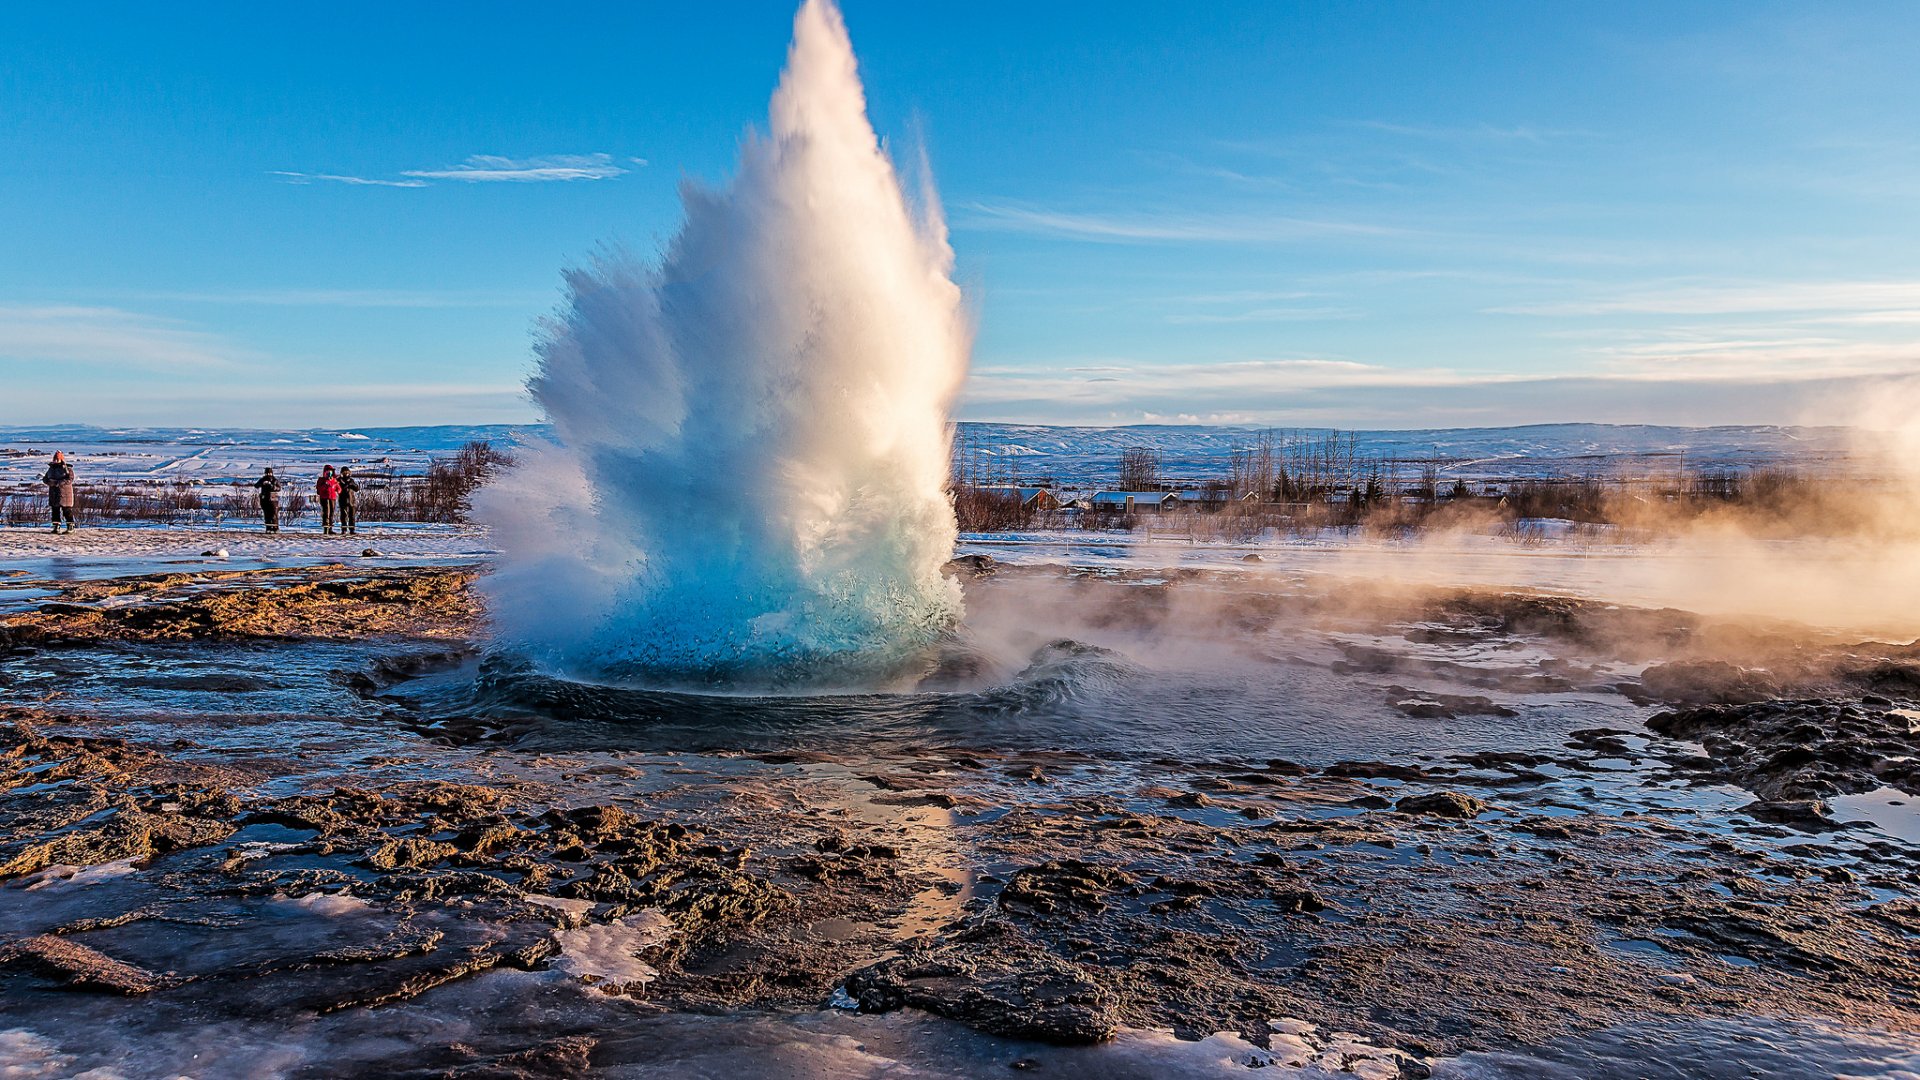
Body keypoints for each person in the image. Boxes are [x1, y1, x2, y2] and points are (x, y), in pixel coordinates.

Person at [42, 452, 75, 533]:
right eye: (55, 459)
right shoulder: (51, 468)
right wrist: (50, 482)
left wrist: (58, 483)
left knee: (67, 510)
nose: (56, 460)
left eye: (58, 459)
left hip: (65, 493)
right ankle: (56, 527)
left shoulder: (67, 468)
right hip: (54, 493)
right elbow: (45, 478)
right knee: (55, 510)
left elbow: (70, 479)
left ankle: (70, 527)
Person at [316, 465, 342, 535]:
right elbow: (318, 490)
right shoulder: (321, 480)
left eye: (331, 471)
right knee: (326, 512)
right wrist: (325, 485)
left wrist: (338, 489)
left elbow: (339, 489)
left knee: (331, 513)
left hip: (332, 498)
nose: (329, 473)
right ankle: (326, 529)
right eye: (328, 471)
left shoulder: (334, 480)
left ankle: (330, 528)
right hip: (324, 498)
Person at [256, 467, 281, 533]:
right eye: (267, 473)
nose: (268, 474)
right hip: (264, 499)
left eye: (269, 473)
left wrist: (272, 486)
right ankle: (268, 528)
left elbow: (279, 488)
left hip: (273, 499)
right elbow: (256, 485)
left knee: (274, 513)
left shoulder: (275, 480)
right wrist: (262, 483)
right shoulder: (263, 479)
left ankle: (275, 528)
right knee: (266, 514)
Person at [338, 467, 360, 535]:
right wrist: (345, 484)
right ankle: (344, 529)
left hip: (351, 500)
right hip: (343, 499)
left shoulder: (351, 480)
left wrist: (352, 484)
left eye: (347, 472)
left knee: (352, 516)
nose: (346, 474)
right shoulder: (339, 480)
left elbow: (356, 489)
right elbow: (338, 489)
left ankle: (352, 529)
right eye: (344, 473)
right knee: (343, 516)